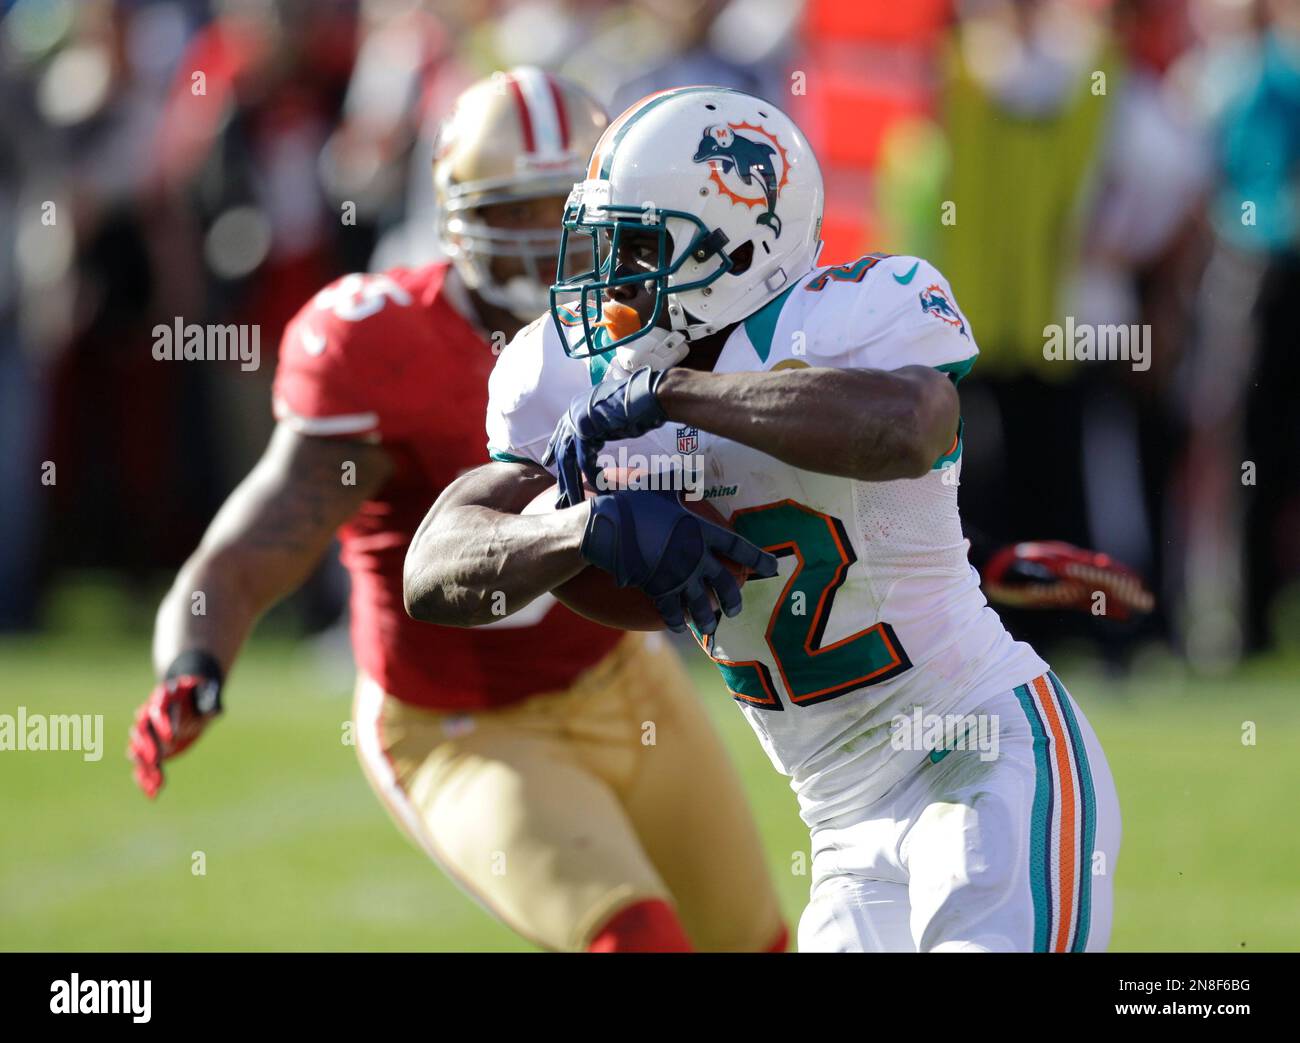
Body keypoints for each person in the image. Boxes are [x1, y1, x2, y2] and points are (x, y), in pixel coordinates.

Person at [405, 86, 1124, 952]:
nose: (609, 276)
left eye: (638, 245)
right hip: (842, 827)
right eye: (603, 244)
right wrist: (583, 531)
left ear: (740, 242)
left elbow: (907, 426)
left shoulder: (849, 315)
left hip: (982, 757)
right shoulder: (567, 373)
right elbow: (437, 564)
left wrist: (672, 393)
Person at [128, 69, 788, 955]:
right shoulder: (383, 344)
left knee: (759, 943)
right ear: (458, 215)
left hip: (625, 677)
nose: (549, 234)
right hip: (462, 727)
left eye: (566, 204)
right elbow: (261, 537)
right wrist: (195, 656)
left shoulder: (658, 312)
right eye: (517, 209)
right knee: (639, 943)